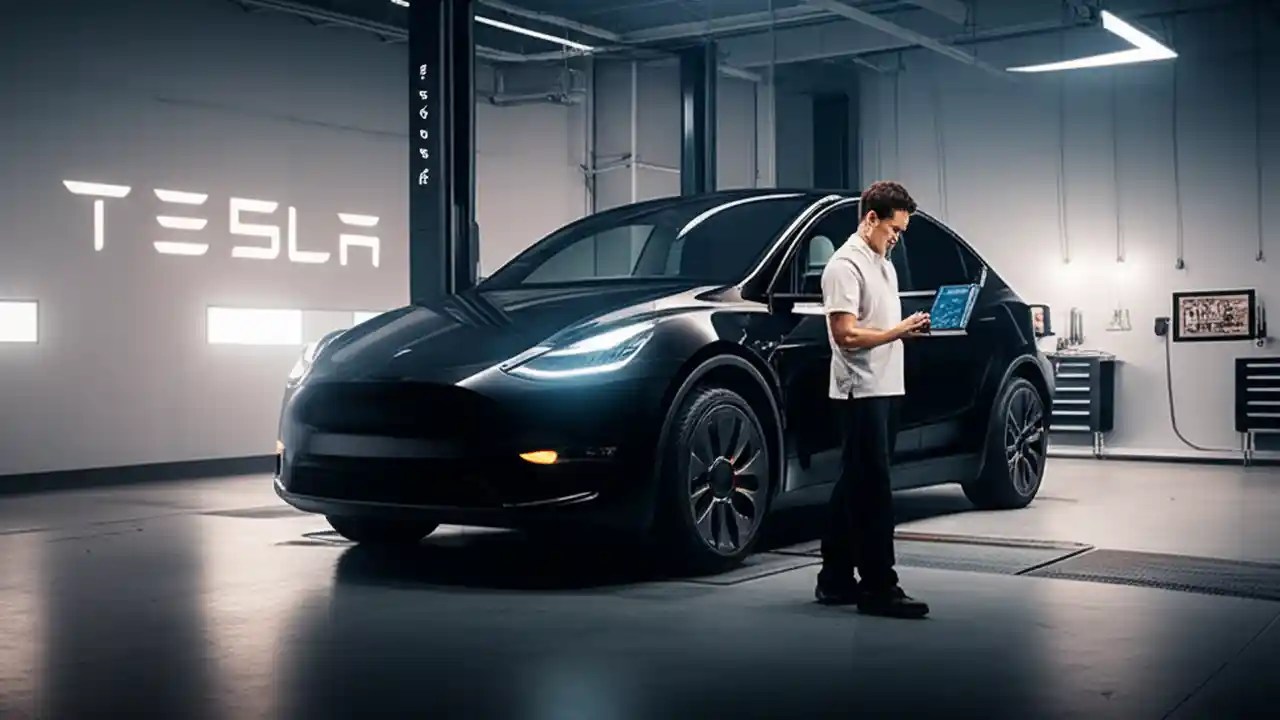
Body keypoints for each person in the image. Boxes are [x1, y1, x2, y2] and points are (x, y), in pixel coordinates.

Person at [814, 180, 931, 619]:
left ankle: (834, 579)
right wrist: (897, 331)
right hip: (859, 391)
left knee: (853, 486)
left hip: (886, 387)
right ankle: (879, 586)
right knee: (873, 492)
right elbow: (844, 333)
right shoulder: (844, 266)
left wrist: (903, 332)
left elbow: (877, 325)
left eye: (900, 232)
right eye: (892, 230)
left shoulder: (883, 264)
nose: (896, 238)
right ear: (870, 219)